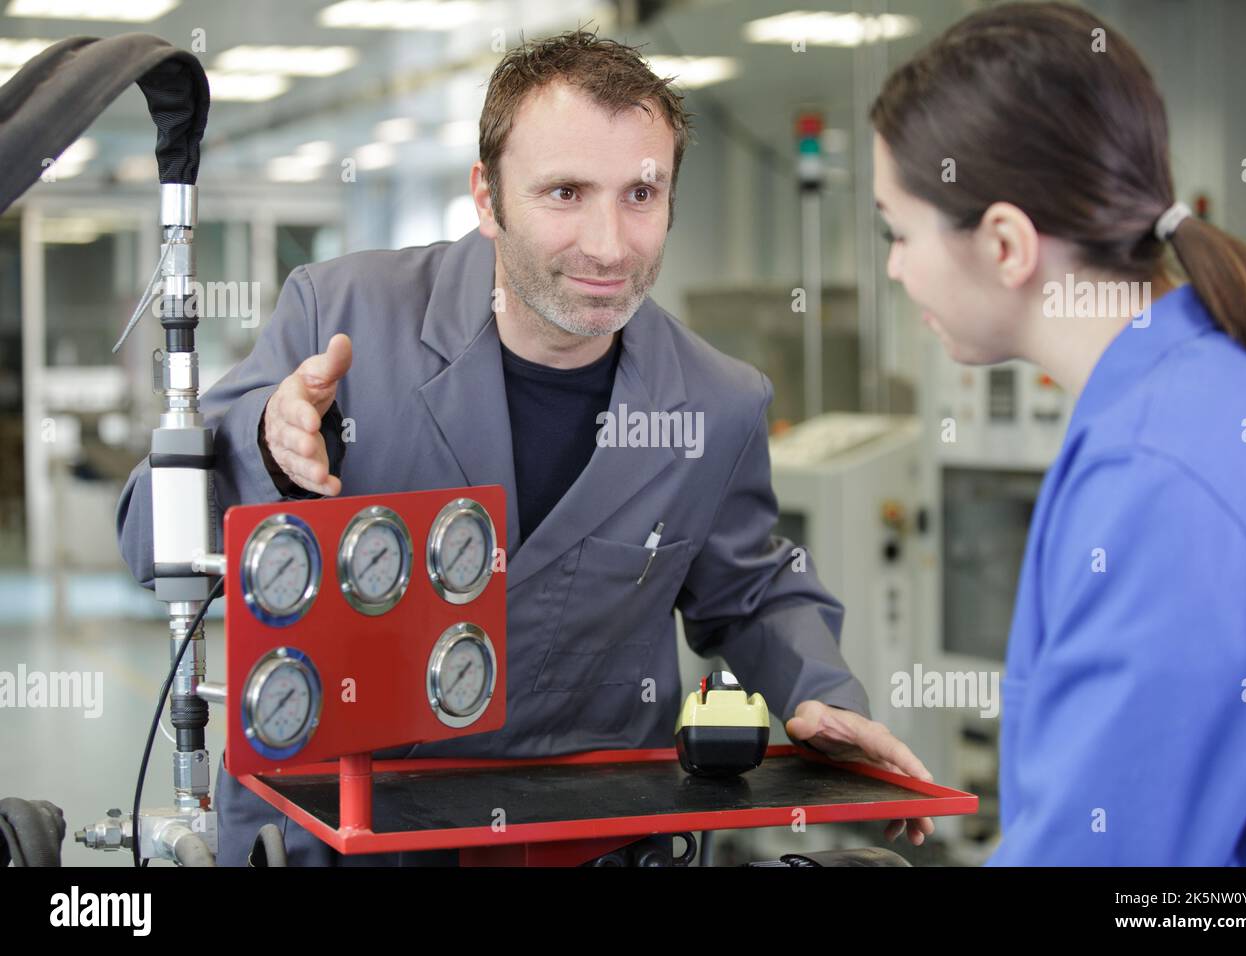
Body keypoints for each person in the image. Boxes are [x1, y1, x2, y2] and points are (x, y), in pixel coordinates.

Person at [116, 30, 934, 866]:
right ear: (486, 196)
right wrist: (264, 447)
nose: (610, 245)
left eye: (641, 194)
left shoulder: (716, 402)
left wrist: (821, 694)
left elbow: (750, 593)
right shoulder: (341, 315)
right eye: (566, 193)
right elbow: (149, 546)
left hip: (588, 842)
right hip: (337, 839)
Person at [870, 2, 1246, 865]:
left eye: (899, 231)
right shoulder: (1200, 401)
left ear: (1004, 244)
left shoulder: (1160, 475)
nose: (894, 266)